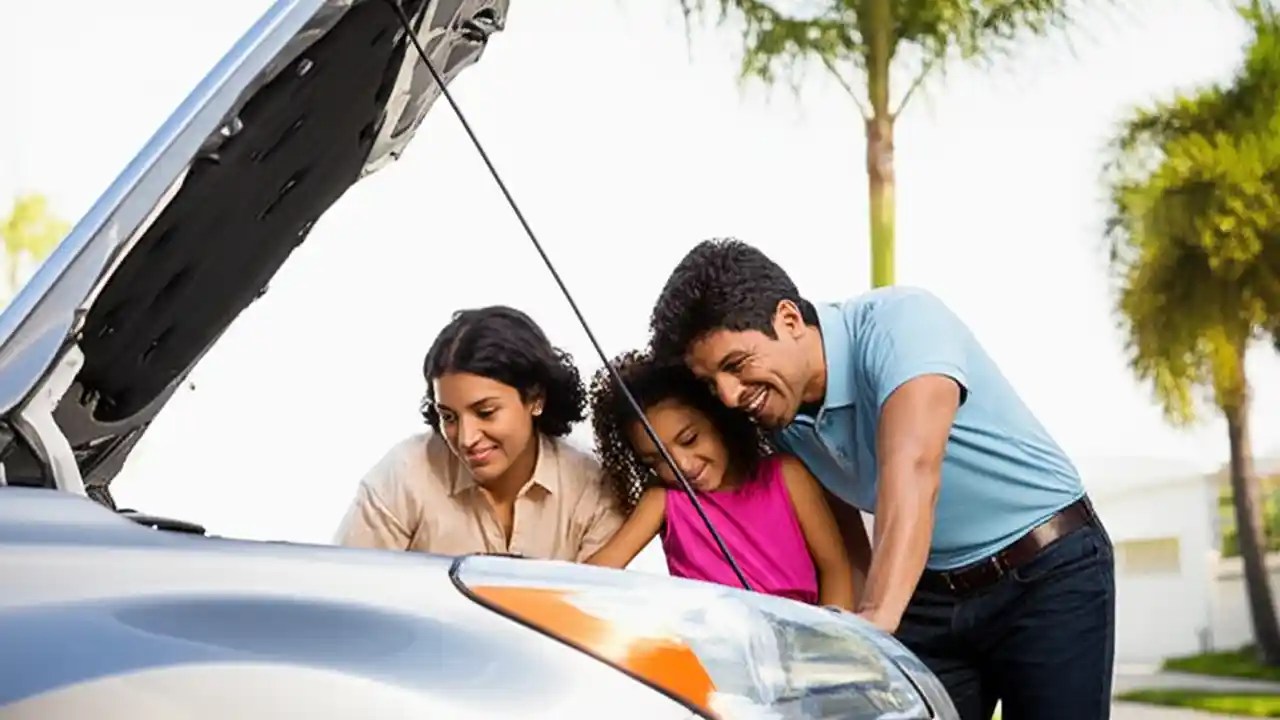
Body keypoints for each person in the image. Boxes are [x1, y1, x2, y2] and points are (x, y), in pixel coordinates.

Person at [647, 238, 1115, 720]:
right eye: (711, 383)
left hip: (1048, 568)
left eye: (736, 366)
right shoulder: (780, 421)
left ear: (788, 319)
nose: (728, 396)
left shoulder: (903, 324)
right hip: (930, 590)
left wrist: (875, 623)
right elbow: (850, 543)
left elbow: (912, 471)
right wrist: (845, 643)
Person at [335, 305, 623, 560]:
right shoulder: (406, 473)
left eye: (485, 412)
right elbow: (346, 593)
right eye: (448, 416)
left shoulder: (590, 488)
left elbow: (596, 610)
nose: (466, 438)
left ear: (536, 398)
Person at [583, 349, 855, 610]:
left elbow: (836, 570)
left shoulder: (786, 475)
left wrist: (827, 650)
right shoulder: (665, 500)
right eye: (656, 461)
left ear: (719, 417)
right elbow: (596, 574)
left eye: (689, 440)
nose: (682, 466)